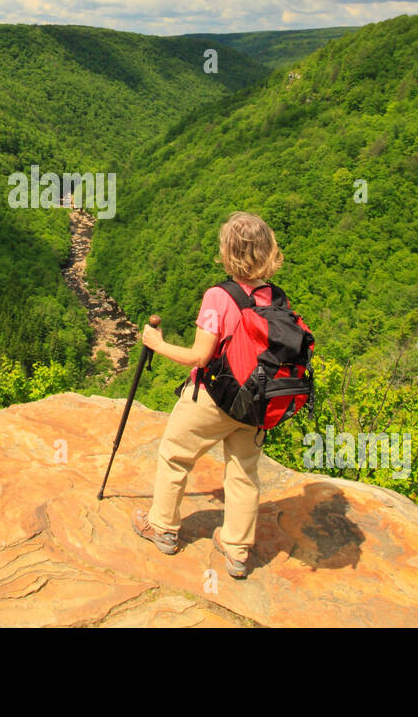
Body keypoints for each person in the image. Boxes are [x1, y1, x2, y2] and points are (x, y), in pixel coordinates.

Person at [130, 211, 284, 579]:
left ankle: (163, 528)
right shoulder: (275, 296)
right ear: (267, 252)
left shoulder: (218, 296)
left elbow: (200, 356)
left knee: (175, 457)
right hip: (255, 403)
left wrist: (157, 343)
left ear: (227, 252)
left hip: (213, 397)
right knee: (244, 474)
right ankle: (237, 551)